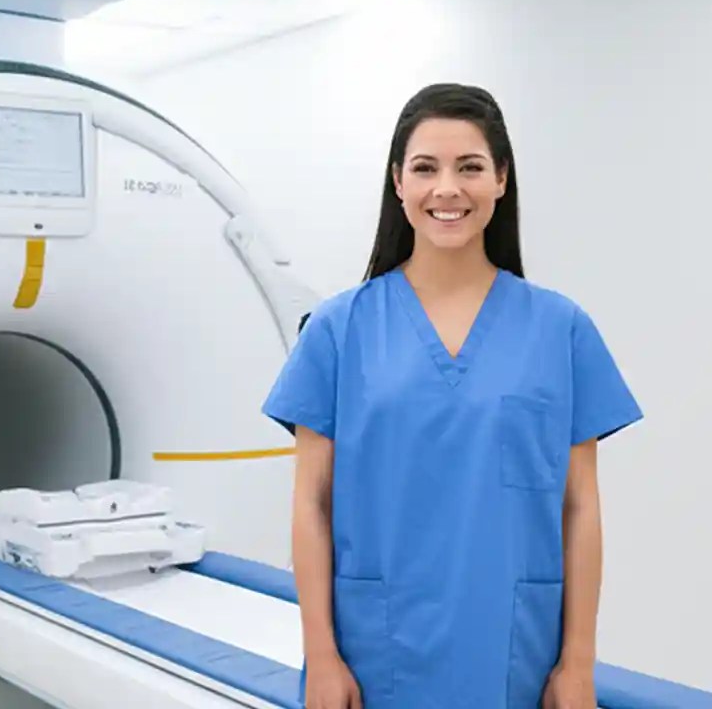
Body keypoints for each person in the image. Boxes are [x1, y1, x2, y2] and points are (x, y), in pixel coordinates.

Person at [261, 82, 644, 709]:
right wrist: (322, 656)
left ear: (500, 179)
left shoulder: (560, 328)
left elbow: (581, 507)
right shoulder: (339, 328)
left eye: (469, 167)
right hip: (374, 651)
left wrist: (578, 663)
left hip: (512, 652)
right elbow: (311, 504)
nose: (447, 188)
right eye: (425, 168)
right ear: (398, 183)